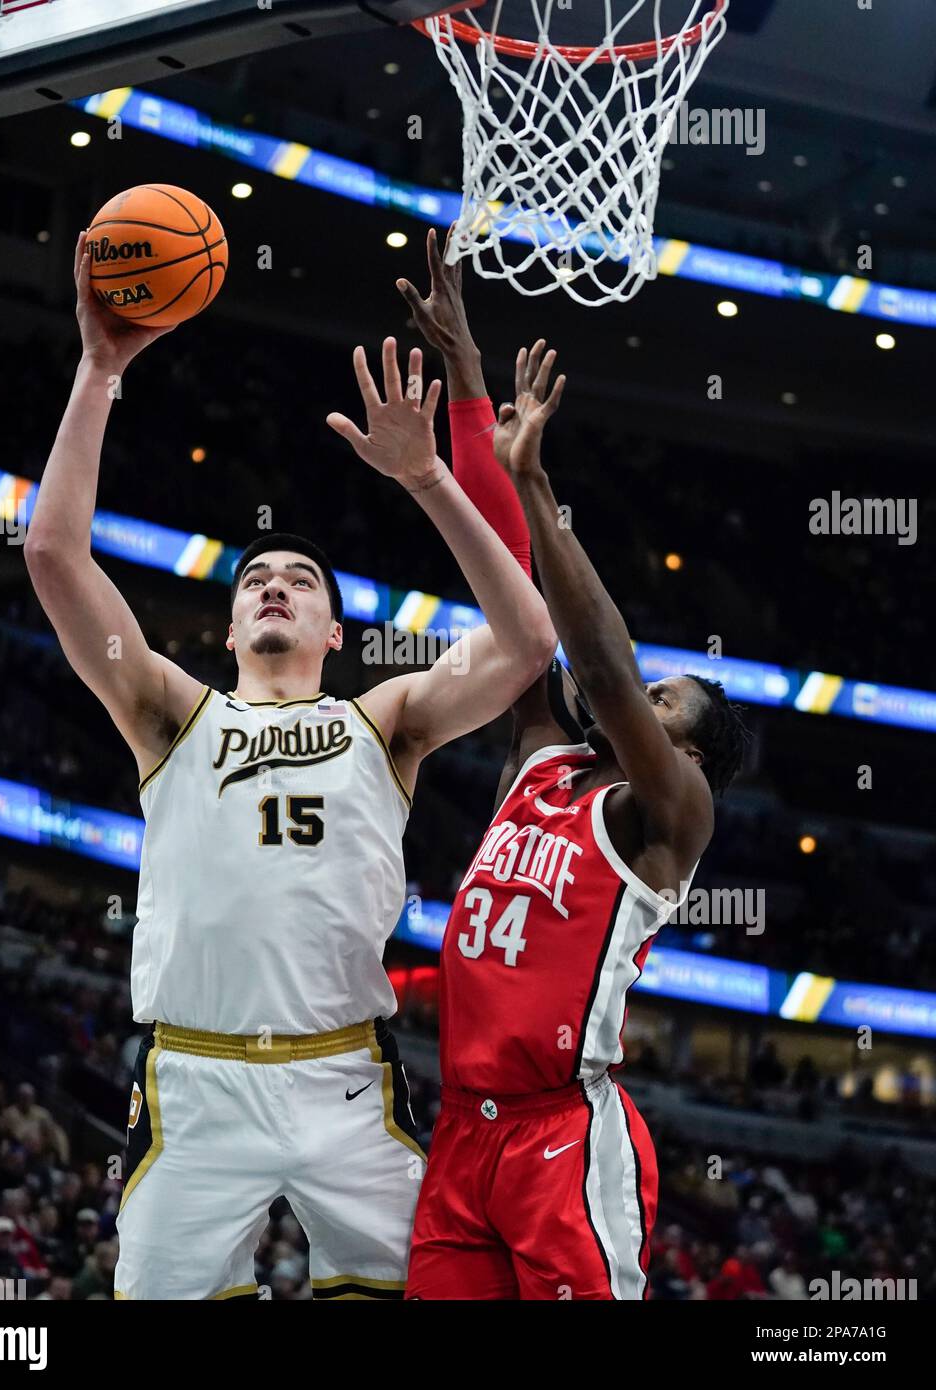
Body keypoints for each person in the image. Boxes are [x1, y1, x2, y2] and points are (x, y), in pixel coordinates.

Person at [23, 235, 555, 1300]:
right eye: (255, 579)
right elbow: (52, 555)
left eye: (299, 579)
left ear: (334, 630)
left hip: (345, 1082)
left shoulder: (385, 717)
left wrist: (427, 480)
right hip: (197, 1079)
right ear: (224, 629)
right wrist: (98, 370)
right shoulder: (169, 712)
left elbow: (528, 643)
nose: (273, 585)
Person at [398, 228, 750, 1300]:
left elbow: (599, 662)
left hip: (563, 1140)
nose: (644, 698)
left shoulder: (668, 816)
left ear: (682, 748)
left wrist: (541, 486)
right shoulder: (539, 759)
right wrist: (466, 379)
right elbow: (513, 586)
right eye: (652, 689)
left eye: (663, 703)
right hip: (461, 1132)